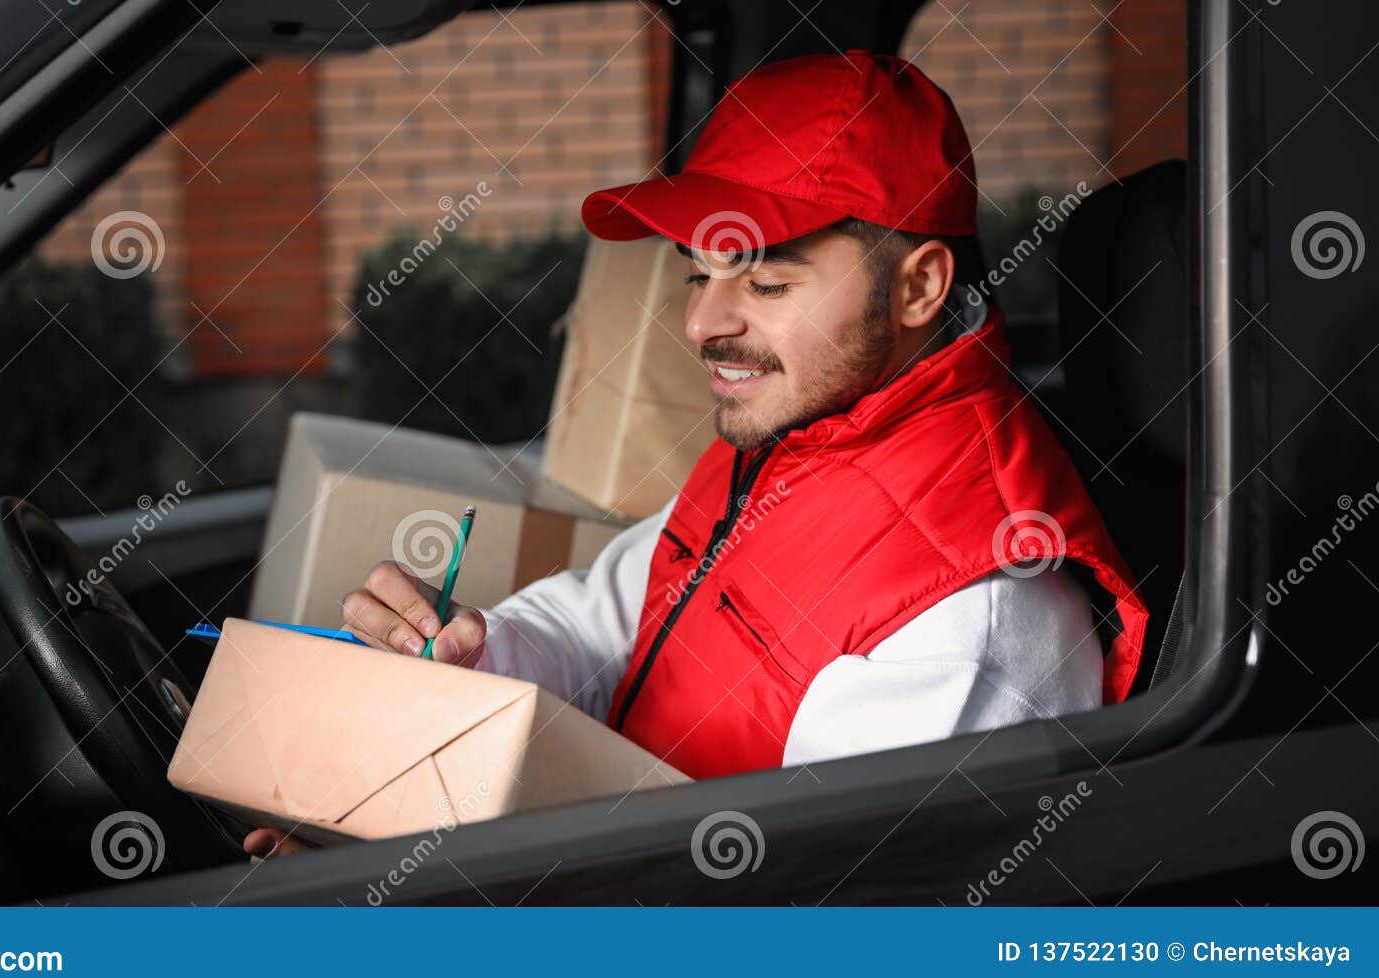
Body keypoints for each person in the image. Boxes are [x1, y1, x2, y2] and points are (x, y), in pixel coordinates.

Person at [243, 51, 1149, 860]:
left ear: (917, 287)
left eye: (766, 280)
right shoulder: (795, 437)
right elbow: (612, 623)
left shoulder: (971, 625)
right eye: (698, 270)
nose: (701, 322)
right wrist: (470, 658)